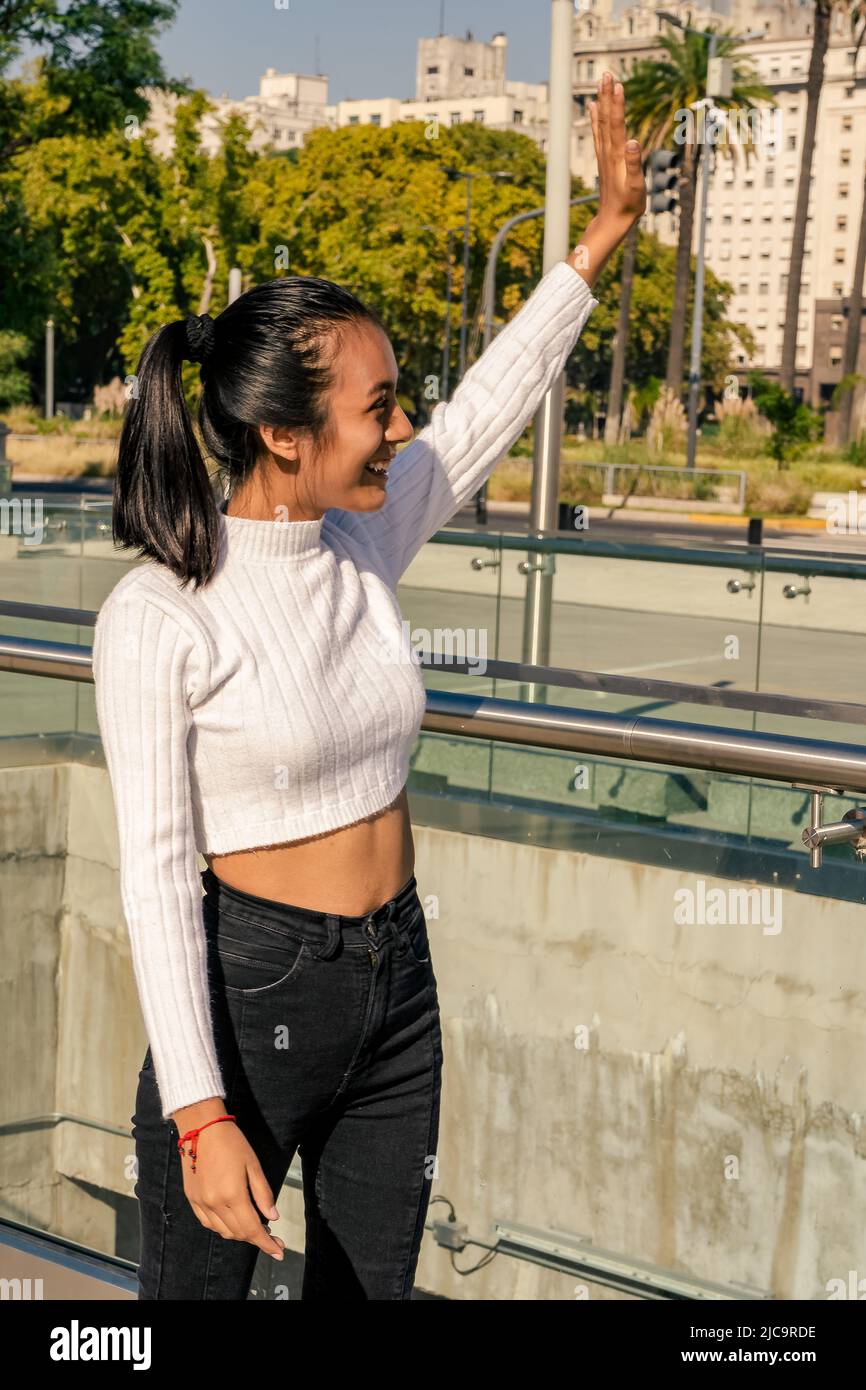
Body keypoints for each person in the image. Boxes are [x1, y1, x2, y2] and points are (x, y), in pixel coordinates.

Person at [92, 72, 645, 1300]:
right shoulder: (157, 614)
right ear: (283, 433)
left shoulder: (356, 536)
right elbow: (151, 875)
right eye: (376, 409)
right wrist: (197, 1110)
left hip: (397, 979)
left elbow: (489, 408)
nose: (400, 433)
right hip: (250, 995)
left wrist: (599, 235)